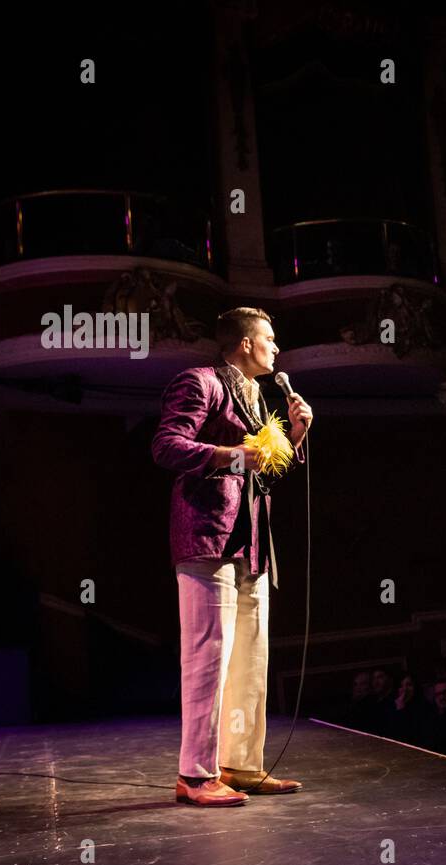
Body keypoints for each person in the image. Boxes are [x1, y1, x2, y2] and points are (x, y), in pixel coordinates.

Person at [152, 307, 311, 805]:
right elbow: (166, 446)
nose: (276, 348)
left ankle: (239, 764)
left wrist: (295, 436)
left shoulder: (257, 396)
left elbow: (261, 471)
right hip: (208, 535)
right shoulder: (200, 382)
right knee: (208, 658)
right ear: (244, 343)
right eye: (269, 338)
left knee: (250, 660)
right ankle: (195, 775)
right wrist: (229, 454)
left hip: (252, 542)